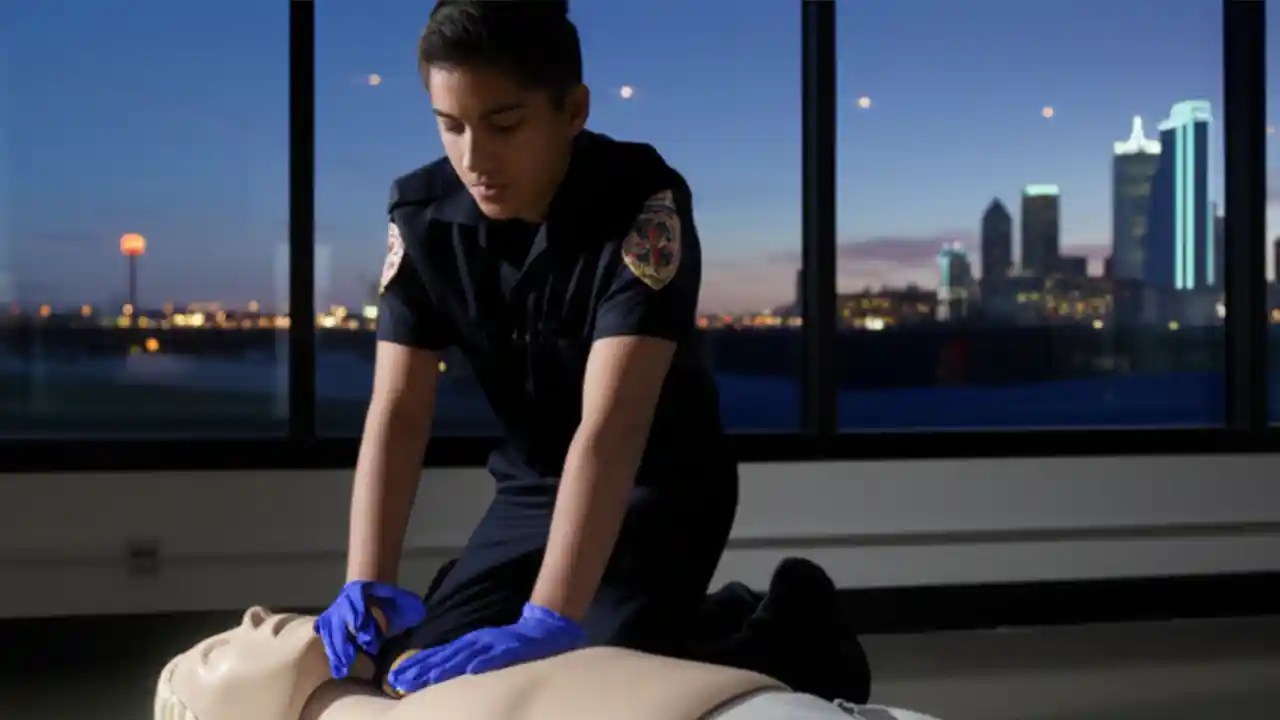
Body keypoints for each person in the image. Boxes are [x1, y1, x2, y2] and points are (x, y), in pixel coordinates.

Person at [312, 0, 870, 705]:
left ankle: (794, 627)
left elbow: (612, 432)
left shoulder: (643, 203)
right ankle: (695, 616)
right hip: (531, 485)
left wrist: (551, 617)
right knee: (413, 675)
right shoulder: (422, 217)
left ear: (573, 110)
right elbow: (397, 410)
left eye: (504, 124)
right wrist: (365, 578)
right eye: (451, 126)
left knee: (583, 686)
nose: (473, 160)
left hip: (655, 481)